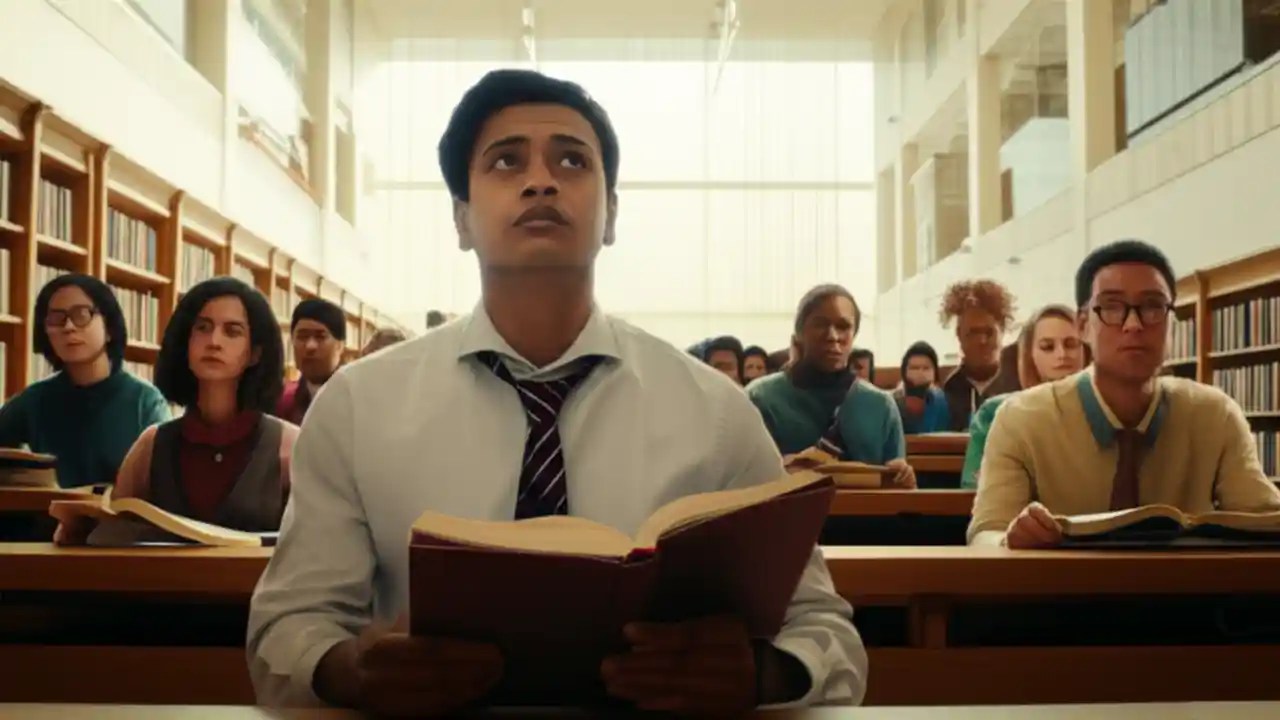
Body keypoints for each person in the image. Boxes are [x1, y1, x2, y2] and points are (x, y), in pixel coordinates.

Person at [247, 69, 866, 716]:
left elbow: (827, 634)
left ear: (611, 215)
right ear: (461, 218)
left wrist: (764, 673)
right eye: (506, 160)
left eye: (572, 160)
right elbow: (286, 627)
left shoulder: (714, 412)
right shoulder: (358, 406)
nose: (540, 179)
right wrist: (350, 669)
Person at [968, 240, 1280, 547]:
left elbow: (1264, 519)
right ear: (1082, 326)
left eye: (1152, 306)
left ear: (1172, 321)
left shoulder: (1215, 414)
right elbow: (985, 532)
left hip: (1188, 593)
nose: (1133, 324)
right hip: (1061, 593)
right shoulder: (1021, 418)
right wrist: (1008, 541)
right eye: (1112, 307)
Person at [55, 278, 298, 543]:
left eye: (232, 331)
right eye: (203, 328)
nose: (214, 341)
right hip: (161, 583)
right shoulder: (151, 445)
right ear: (186, 343)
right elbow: (115, 536)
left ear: (255, 353)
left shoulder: (290, 447)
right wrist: (79, 528)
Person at [0, 274, 169, 488]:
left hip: (117, 519)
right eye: (56, 318)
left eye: (81, 315)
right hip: (47, 518)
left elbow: (165, 484)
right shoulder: (33, 400)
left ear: (109, 328)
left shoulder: (145, 403)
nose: (68, 327)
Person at [747, 284, 913, 486]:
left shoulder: (880, 405)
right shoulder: (761, 399)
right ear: (799, 332)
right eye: (820, 324)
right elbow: (743, 481)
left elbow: (897, 484)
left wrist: (903, 478)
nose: (833, 336)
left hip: (867, 515)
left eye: (843, 327)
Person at [960, 304, 1087, 489]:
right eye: (1047, 347)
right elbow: (973, 488)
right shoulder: (993, 412)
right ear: (1030, 354)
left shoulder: (1106, 408)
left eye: (1071, 344)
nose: (1062, 355)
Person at [937, 279, 1021, 431]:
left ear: (1002, 330)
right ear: (959, 335)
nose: (982, 341)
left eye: (989, 332)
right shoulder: (946, 391)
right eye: (973, 333)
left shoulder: (1020, 386)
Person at [274, 298, 345, 425]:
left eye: (320, 337)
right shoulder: (281, 403)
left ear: (340, 346)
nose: (310, 346)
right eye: (302, 336)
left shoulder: (356, 400)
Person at [893, 341, 949, 435]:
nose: (920, 372)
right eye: (914, 368)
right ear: (904, 371)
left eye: (926, 368)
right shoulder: (892, 403)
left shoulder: (942, 401)